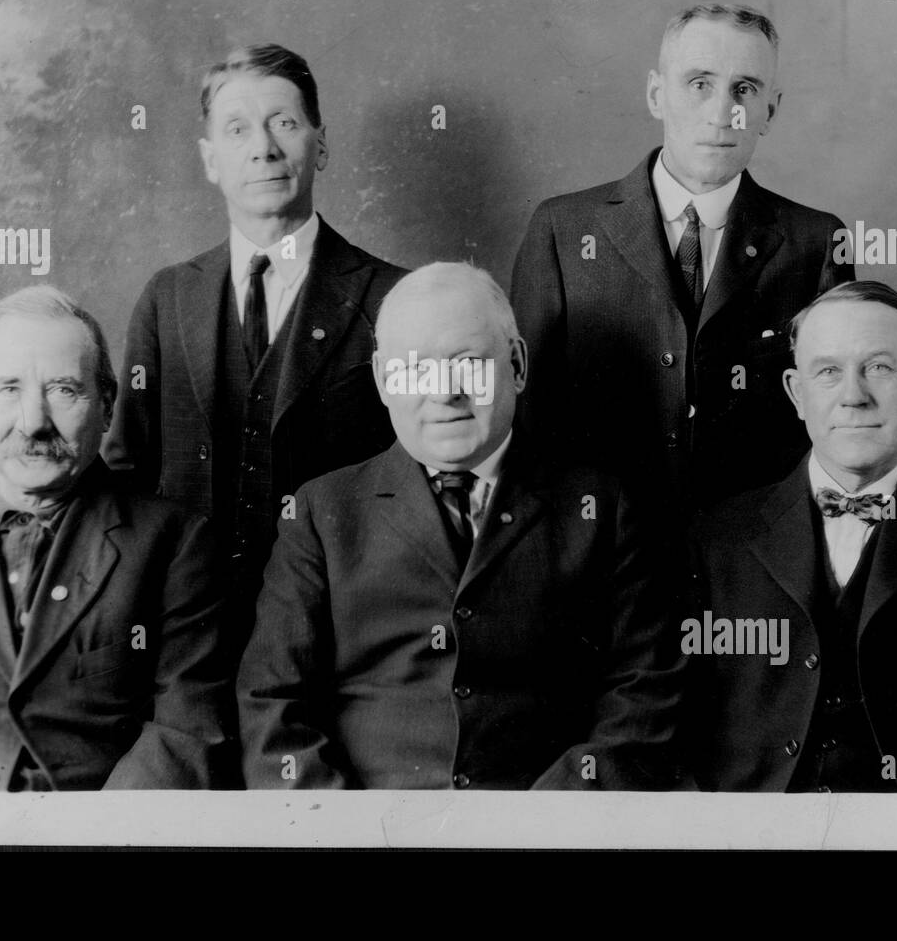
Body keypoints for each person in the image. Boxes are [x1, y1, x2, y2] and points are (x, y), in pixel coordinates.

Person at [237, 262, 687, 790]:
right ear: (384, 381)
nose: (444, 392)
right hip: (366, 840)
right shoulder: (321, 512)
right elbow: (271, 704)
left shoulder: (599, 509)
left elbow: (645, 692)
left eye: (468, 365)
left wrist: (547, 829)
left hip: (545, 841)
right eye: (413, 370)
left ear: (517, 365)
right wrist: (347, 840)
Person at [0, 286, 235, 791]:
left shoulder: (176, 544)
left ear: (107, 404)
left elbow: (186, 730)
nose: (33, 422)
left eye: (63, 390)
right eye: (9, 389)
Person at [684, 281, 897, 792]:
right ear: (796, 393)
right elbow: (668, 724)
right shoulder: (715, 540)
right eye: (828, 372)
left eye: (879, 367)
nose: (854, 395)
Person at [510, 3, 854, 527]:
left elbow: (834, 420)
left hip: (755, 552)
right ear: (656, 94)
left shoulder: (815, 242)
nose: (721, 112)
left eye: (745, 90)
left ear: (771, 111)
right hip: (599, 553)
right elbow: (527, 413)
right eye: (699, 84)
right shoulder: (563, 229)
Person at [105, 43, 406, 627]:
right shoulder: (167, 299)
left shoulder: (392, 298)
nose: (264, 148)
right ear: (210, 159)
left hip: (344, 625)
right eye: (237, 129)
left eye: (285, 124)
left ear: (321, 144)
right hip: (187, 631)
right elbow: (127, 473)